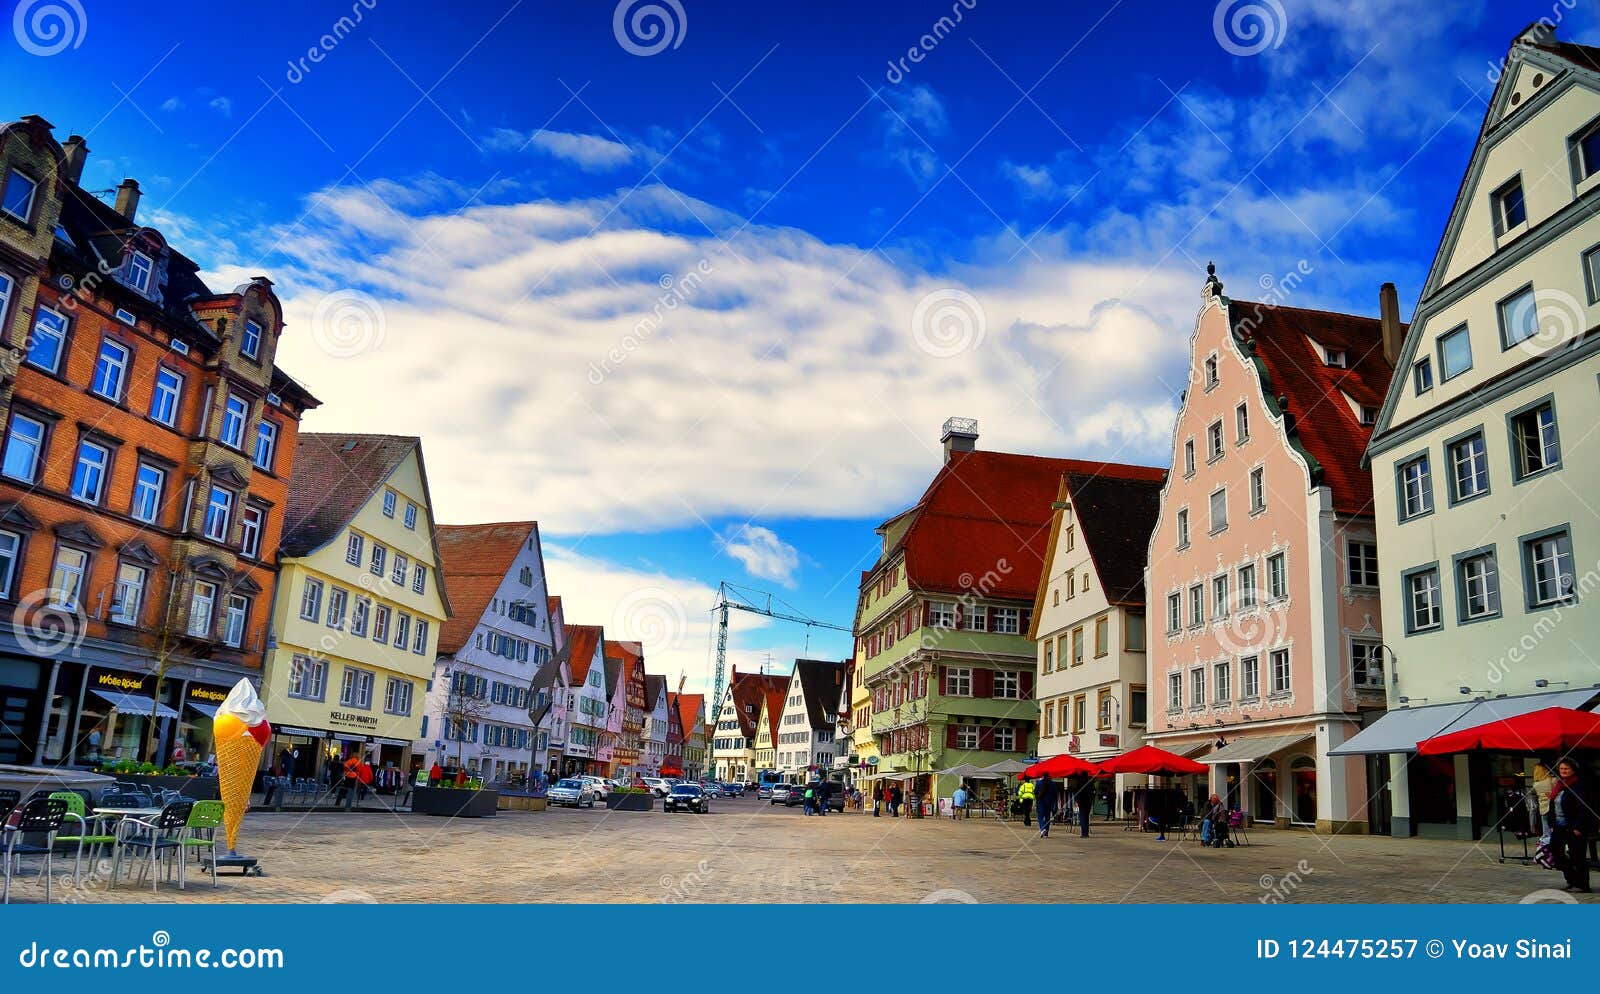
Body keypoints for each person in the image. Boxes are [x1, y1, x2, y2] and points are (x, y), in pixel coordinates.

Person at [1548, 759, 1595, 893]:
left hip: (1574, 826)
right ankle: (1572, 879)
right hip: (1559, 826)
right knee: (1555, 851)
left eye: (1567, 768)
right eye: (1561, 769)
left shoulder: (1578, 785)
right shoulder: (1560, 784)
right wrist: (1551, 823)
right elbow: (1554, 805)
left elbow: (1583, 808)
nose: (1563, 771)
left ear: (1573, 770)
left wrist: (1578, 827)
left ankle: (1583, 885)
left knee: (1577, 857)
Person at [1035, 774, 1058, 839]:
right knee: (1047, 817)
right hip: (1050, 802)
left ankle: (1042, 829)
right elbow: (1055, 794)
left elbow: (1035, 792)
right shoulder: (1052, 784)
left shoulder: (1038, 783)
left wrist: (1037, 799)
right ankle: (1046, 834)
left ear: (1043, 776)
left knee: (1040, 817)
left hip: (1041, 802)